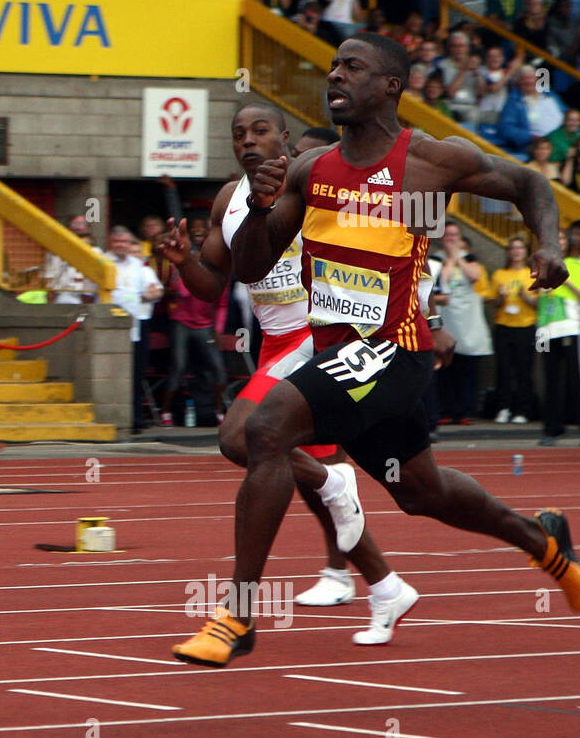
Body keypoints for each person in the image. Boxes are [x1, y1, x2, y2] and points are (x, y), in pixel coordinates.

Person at [173, 32, 580, 668]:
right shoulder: (311, 170)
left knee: (264, 430)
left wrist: (549, 244)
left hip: (395, 348)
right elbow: (253, 267)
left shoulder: (432, 161)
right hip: (337, 354)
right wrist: (259, 208)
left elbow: (530, 182)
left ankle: (236, 616)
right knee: (420, 492)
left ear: (391, 85)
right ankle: (544, 541)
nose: (335, 76)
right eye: (333, 66)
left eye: (352, 67)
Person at [159, 104, 416, 632]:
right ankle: (386, 586)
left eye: (259, 131)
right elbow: (213, 285)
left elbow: (381, 241)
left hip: (317, 338)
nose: (248, 142)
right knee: (306, 479)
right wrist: (184, 260)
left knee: (240, 438)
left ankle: (330, 526)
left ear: (285, 137)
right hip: (275, 343)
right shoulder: (230, 200)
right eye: (238, 134)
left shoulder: (314, 185)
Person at [159, 216, 227, 427]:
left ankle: (218, 410)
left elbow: (222, 303)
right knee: (178, 366)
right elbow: (177, 291)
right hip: (182, 322)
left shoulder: (215, 268)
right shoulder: (180, 266)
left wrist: (218, 329)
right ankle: (166, 411)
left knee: (218, 369)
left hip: (205, 325)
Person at [536, 228, 580, 446]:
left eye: (560, 238)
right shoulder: (537, 266)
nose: (556, 241)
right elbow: (538, 299)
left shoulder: (578, 265)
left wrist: (563, 279)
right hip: (543, 329)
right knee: (548, 381)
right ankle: (551, 430)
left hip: (570, 327)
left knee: (579, 380)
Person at [432, 225, 492, 424]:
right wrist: (450, 259)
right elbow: (442, 280)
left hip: (467, 323)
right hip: (445, 319)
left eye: (454, 235)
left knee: (467, 369)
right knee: (445, 369)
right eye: (447, 235)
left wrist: (458, 257)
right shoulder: (436, 258)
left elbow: (474, 276)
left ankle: (466, 411)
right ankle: (446, 410)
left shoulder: (469, 257)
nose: (450, 238)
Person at [108, 226, 161, 433]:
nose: (121, 245)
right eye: (117, 241)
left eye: (125, 241)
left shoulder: (139, 266)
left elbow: (155, 290)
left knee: (136, 374)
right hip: (109, 328)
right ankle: (112, 418)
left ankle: (135, 419)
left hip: (135, 326)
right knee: (112, 374)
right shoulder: (102, 262)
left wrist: (150, 294)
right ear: (111, 243)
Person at [489, 236, 538, 424]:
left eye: (520, 248)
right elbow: (495, 303)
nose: (516, 251)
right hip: (503, 326)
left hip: (526, 326)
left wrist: (525, 296)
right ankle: (503, 408)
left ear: (526, 252)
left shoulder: (531, 274)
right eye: (513, 248)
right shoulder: (500, 274)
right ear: (509, 252)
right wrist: (501, 297)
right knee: (503, 369)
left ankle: (523, 410)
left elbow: (537, 303)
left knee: (524, 370)